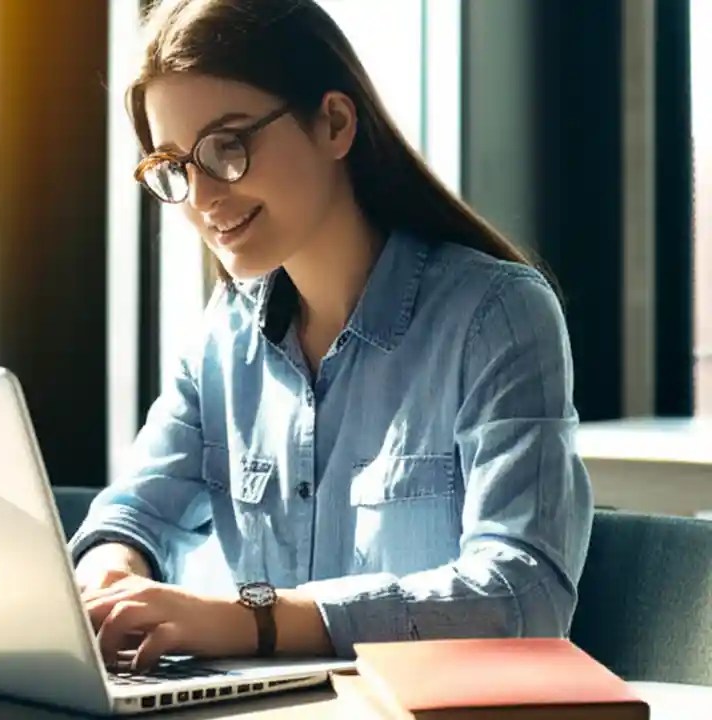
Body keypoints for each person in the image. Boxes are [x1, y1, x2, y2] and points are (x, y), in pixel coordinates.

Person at [68, 0, 594, 671]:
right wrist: (112, 571)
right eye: (175, 165)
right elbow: (136, 510)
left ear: (335, 123)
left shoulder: (495, 316)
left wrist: (254, 621)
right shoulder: (224, 338)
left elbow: (525, 595)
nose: (201, 196)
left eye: (227, 147)